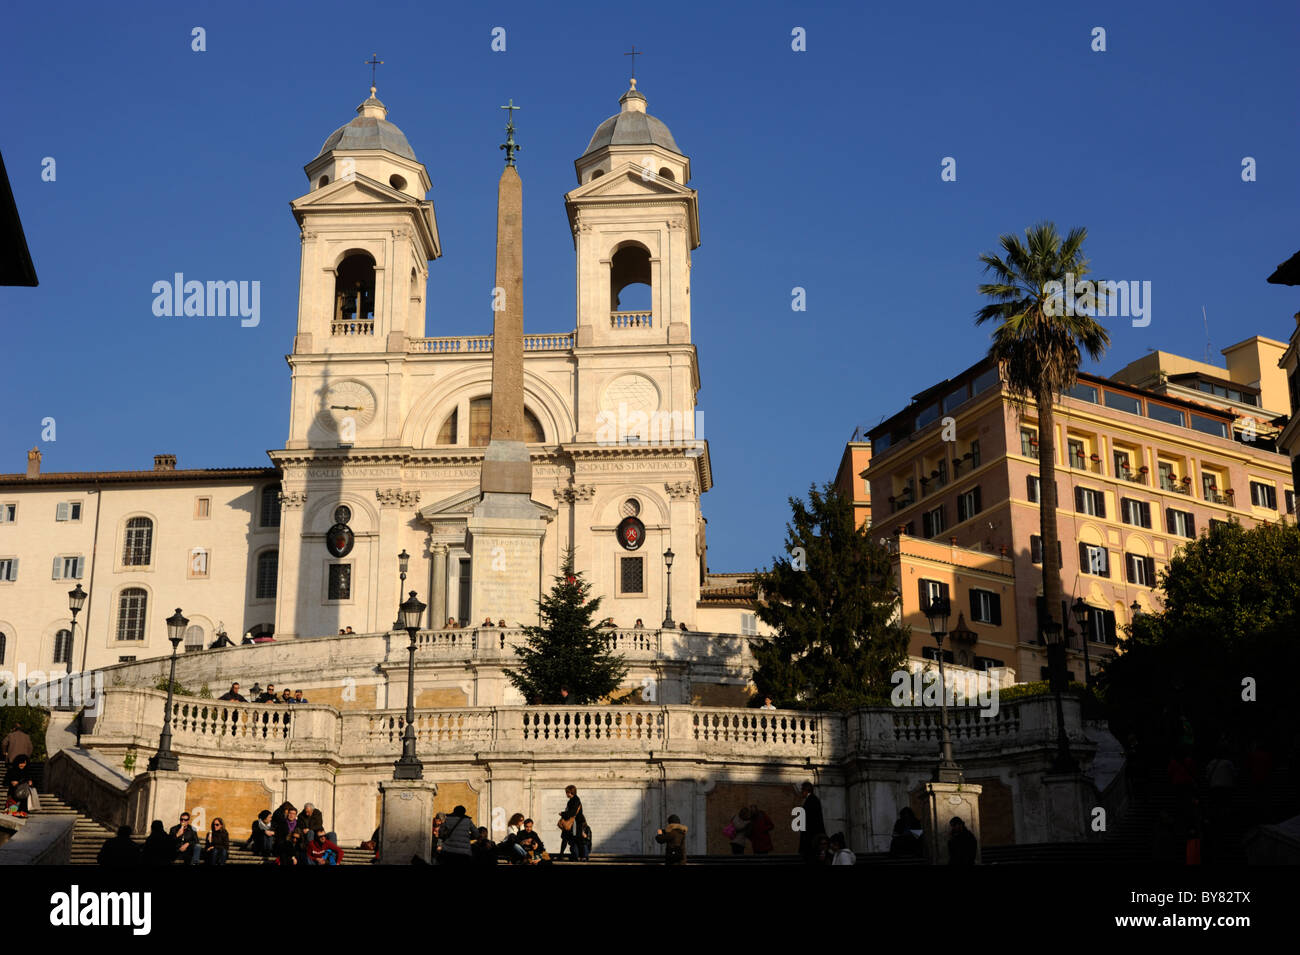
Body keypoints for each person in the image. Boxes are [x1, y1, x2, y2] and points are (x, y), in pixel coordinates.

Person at [798, 781, 826, 864]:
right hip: (812, 836)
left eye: (802, 790)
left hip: (811, 837)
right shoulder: (813, 799)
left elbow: (811, 821)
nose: (801, 793)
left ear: (806, 791)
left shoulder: (811, 800)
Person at [559, 784, 588, 861]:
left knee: (577, 840)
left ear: (571, 792)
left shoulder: (576, 800)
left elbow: (572, 812)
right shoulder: (572, 800)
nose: (566, 794)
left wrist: (563, 813)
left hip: (575, 823)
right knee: (567, 839)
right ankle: (563, 855)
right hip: (571, 823)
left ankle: (582, 856)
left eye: (567, 792)